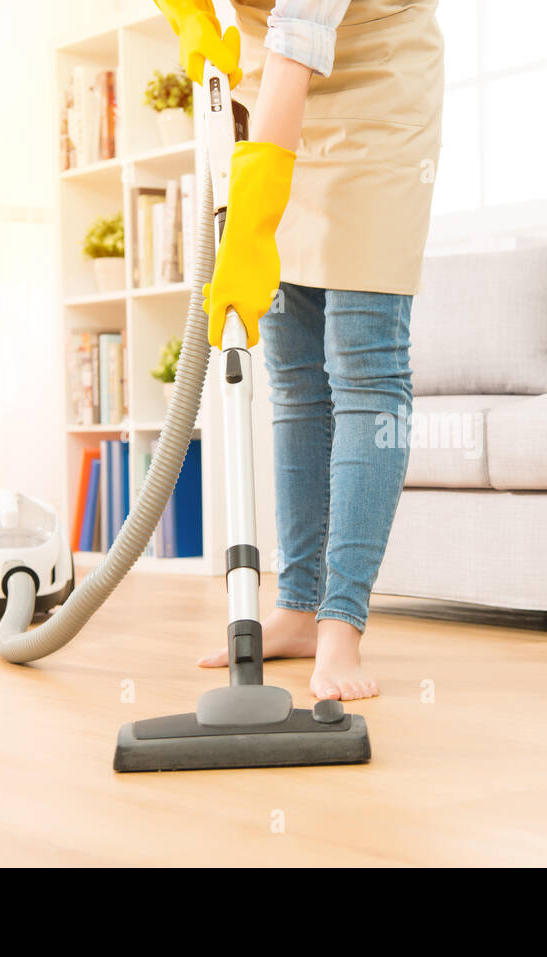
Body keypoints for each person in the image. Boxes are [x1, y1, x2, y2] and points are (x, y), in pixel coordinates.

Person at [154, 0, 444, 701]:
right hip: (267, 80)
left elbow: (298, 43)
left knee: (365, 364)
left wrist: (252, 228)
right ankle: (297, 607)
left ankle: (341, 624)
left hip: (378, 80)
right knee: (292, 378)